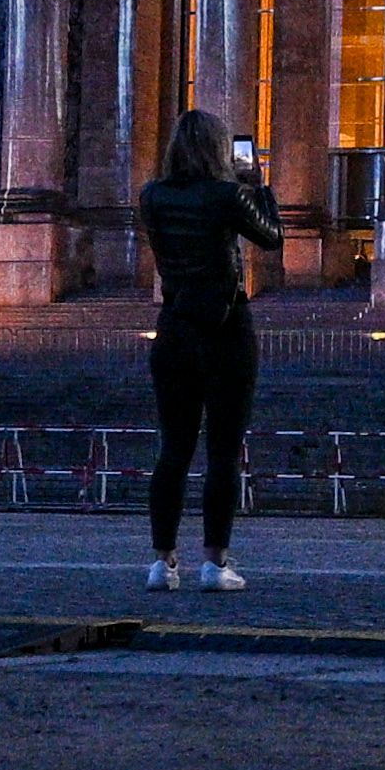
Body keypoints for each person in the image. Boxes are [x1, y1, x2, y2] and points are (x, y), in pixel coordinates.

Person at [134, 109, 282, 592]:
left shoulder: (152, 195)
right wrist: (258, 185)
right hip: (224, 325)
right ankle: (216, 563)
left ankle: (163, 562)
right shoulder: (225, 195)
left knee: (173, 449)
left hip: (175, 322)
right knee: (222, 452)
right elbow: (271, 237)